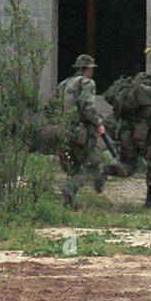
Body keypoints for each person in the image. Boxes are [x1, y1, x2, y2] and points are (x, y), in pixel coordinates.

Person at [53, 54, 115, 210]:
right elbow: (87, 107)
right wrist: (97, 122)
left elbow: (50, 107)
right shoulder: (87, 83)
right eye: (91, 69)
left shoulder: (63, 84)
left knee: (75, 167)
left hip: (63, 130)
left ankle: (70, 203)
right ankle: (71, 189)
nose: (92, 72)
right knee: (95, 165)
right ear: (87, 69)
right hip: (80, 132)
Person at [114, 61, 151, 209]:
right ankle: (150, 200)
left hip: (129, 130)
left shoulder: (141, 85)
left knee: (129, 165)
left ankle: (105, 170)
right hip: (145, 133)